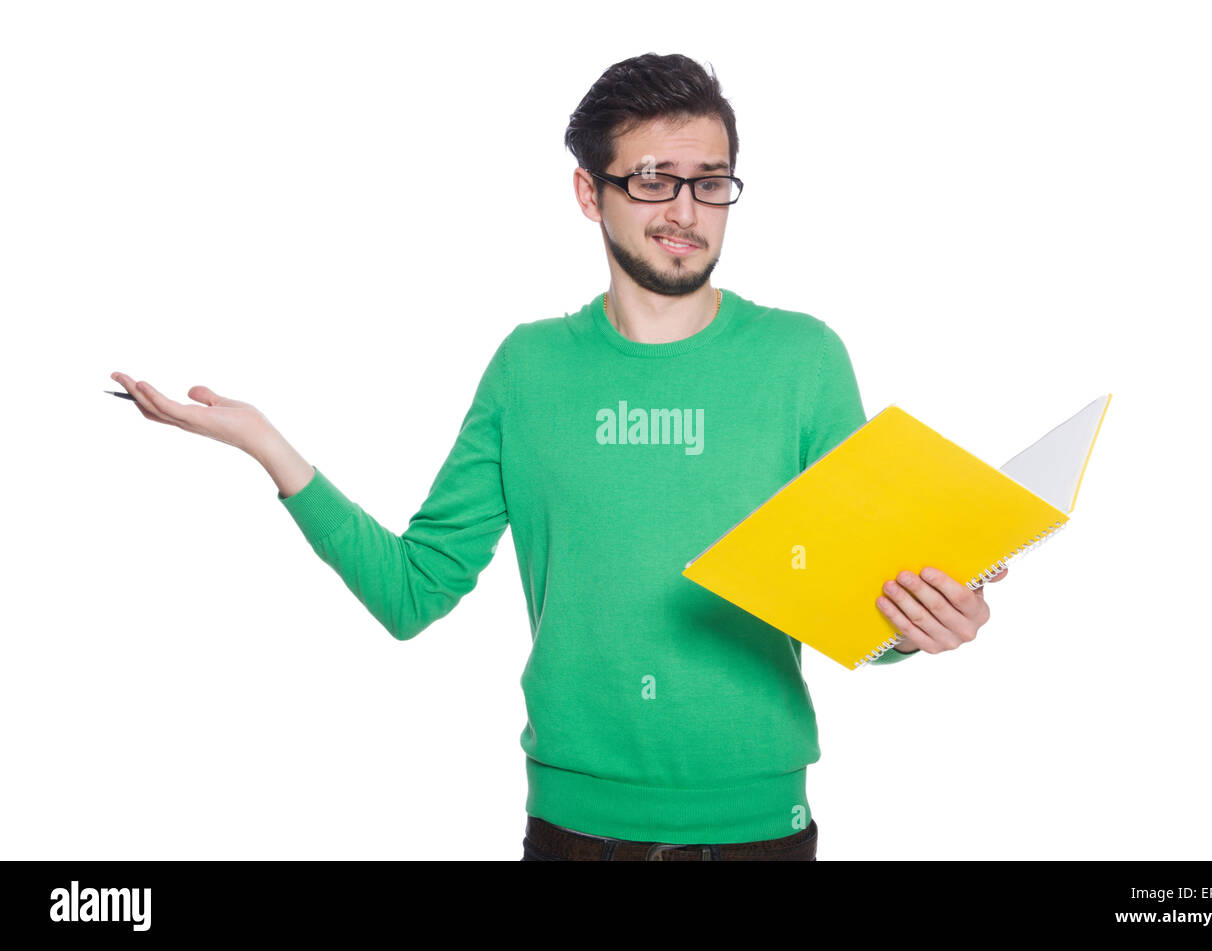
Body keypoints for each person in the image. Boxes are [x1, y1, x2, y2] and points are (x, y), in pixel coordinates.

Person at [108, 52, 1006, 862]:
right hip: (575, 836)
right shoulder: (529, 368)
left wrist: (922, 623)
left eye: (710, 183)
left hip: (762, 833)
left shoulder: (804, 361)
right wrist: (267, 446)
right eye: (653, 180)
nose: (685, 211)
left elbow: (855, 606)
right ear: (589, 192)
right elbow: (413, 592)